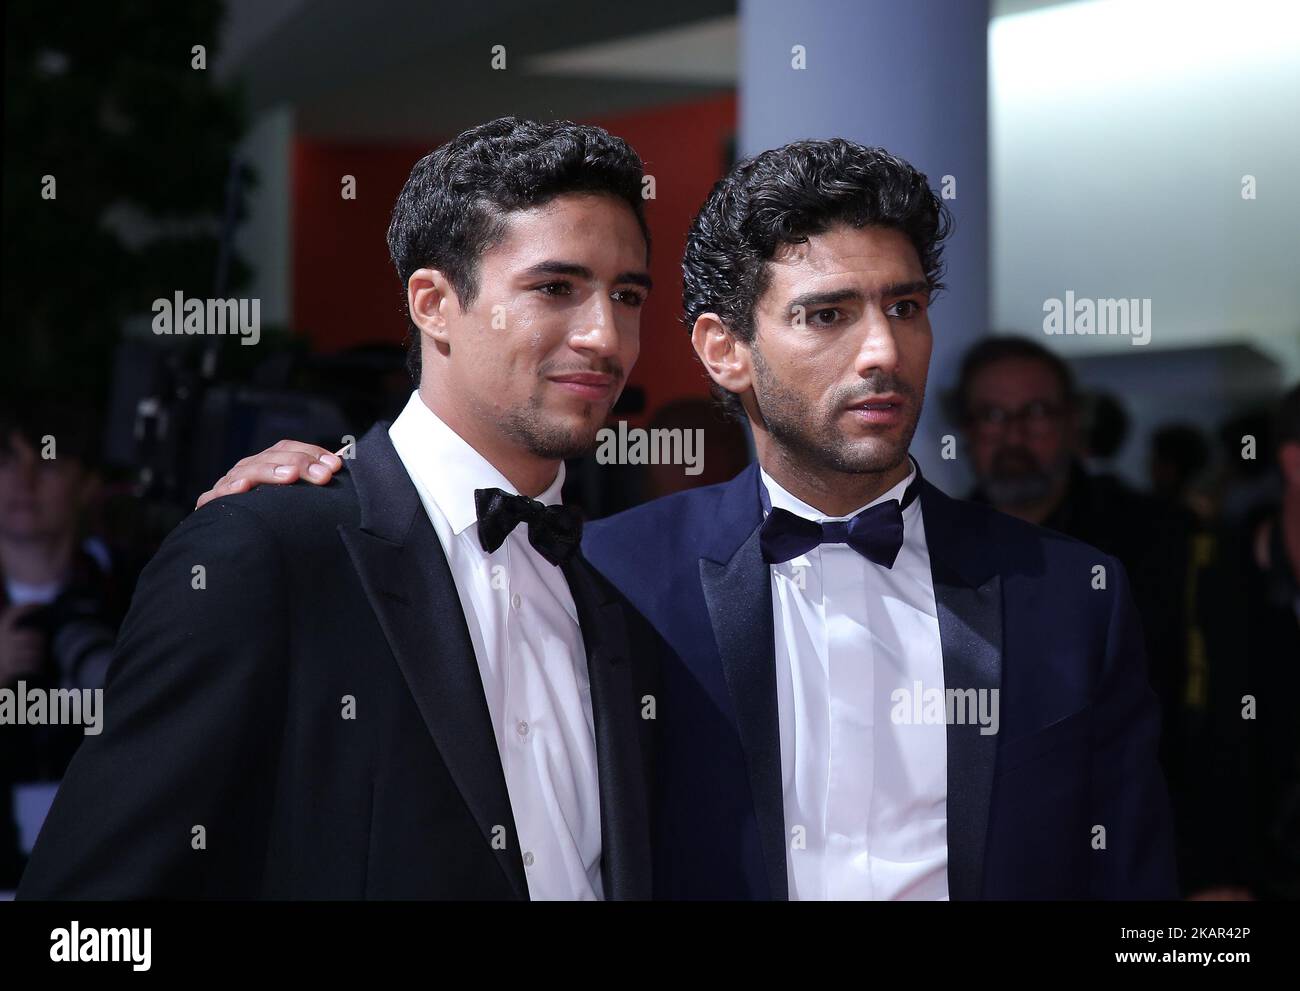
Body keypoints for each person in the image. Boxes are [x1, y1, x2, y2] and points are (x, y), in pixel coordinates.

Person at [192, 137, 1178, 900]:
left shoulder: (1071, 595)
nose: (883, 350)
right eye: (827, 314)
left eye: (906, 307)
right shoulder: (603, 579)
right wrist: (331, 481)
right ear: (723, 350)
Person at [18, 118, 660, 900]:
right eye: (555, 288)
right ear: (432, 302)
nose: (605, 335)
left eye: (626, 295)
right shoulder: (263, 551)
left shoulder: (622, 598)